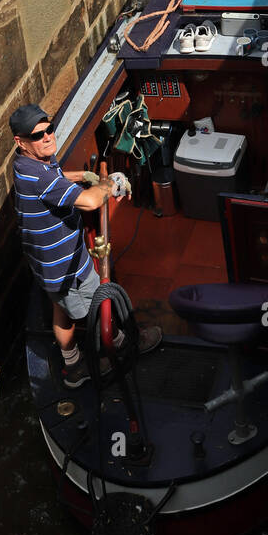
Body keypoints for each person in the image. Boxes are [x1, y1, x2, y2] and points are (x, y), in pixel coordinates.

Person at [10, 103, 162, 388]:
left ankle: (73, 365)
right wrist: (111, 183)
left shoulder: (28, 163)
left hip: (48, 265)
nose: (47, 137)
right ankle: (120, 344)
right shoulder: (38, 175)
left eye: (49, 129)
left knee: (61, 309)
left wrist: (85, 177)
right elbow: (91, 201)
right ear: (20, 141)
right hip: (67, 265)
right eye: (38, 135)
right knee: (98, 307)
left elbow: (57, 177)